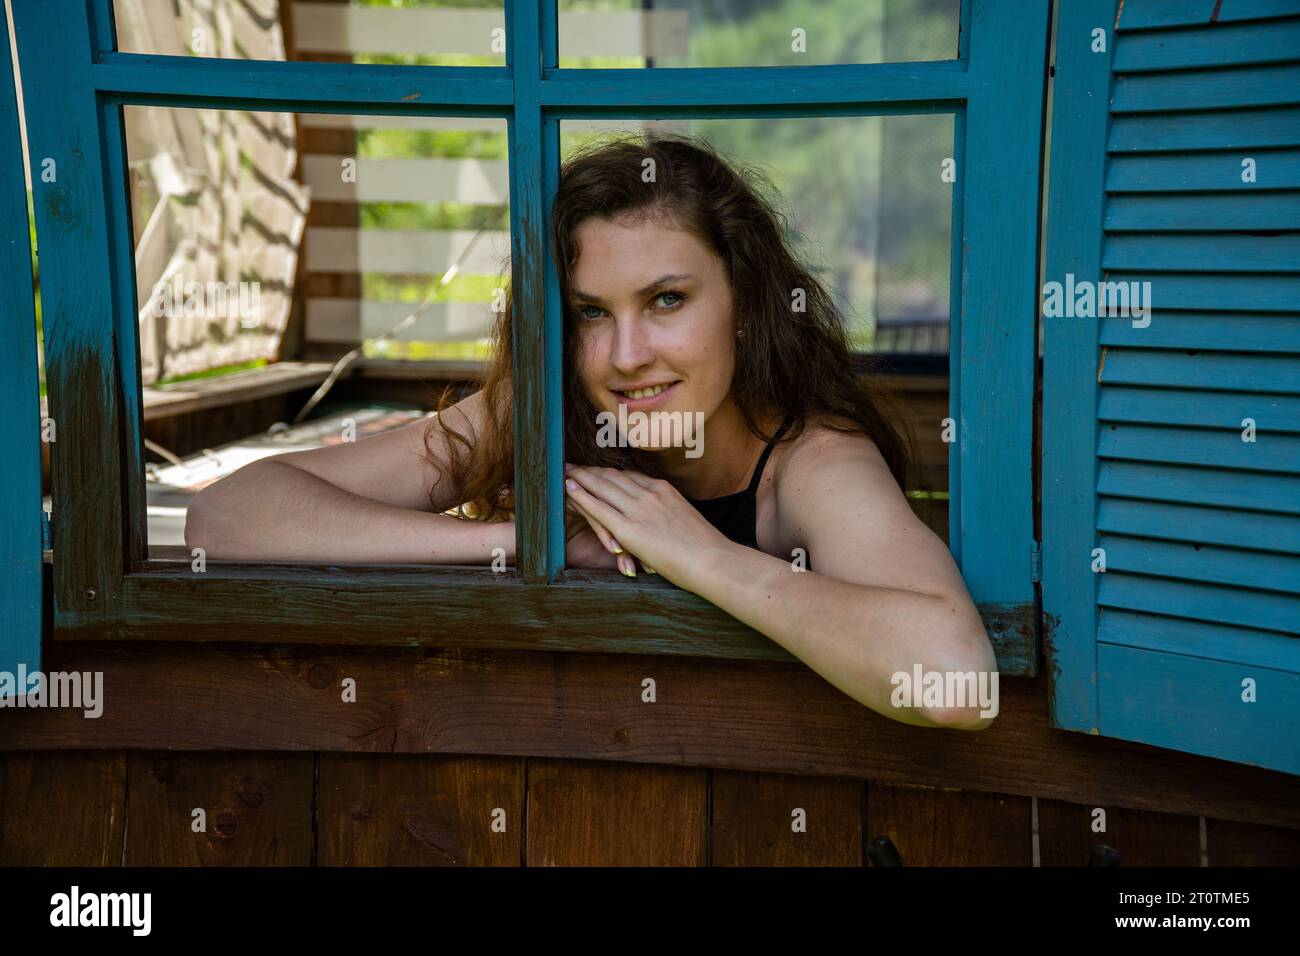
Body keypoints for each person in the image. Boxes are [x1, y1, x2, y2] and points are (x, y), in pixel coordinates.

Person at [186, 133, 997, 730]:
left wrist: (700, 556)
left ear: (747, 307)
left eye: (668, 300)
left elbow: (959, 679)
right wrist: (526, 540)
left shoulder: (811, 461)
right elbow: (223, 519)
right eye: (590, 314)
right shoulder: (545, 410)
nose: (626, 356)